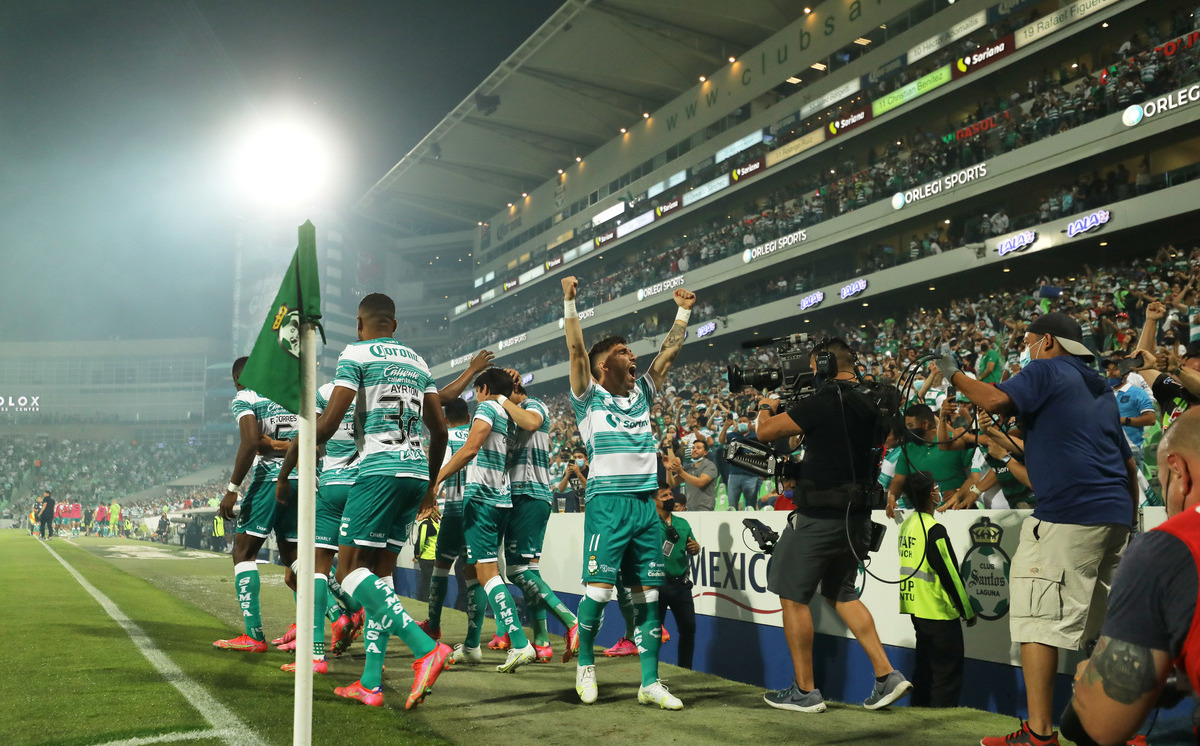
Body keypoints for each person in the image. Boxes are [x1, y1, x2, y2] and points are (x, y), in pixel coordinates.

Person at [935, 311, 1136, 746]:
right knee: (1103, 629)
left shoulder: (1046, 367)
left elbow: (991, 400)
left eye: (1027, 342)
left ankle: (1040, 734)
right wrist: (1129, 521)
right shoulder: (1098, 388)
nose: (1025, 350)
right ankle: (1120, 731)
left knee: (1034, 622)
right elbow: (1127, 461)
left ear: (1046, 341)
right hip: (1114, 515)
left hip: (1068, 515)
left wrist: (954, 374)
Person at [277, 292, 451, 710]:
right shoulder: (418, 361)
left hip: (378, 471)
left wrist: (297, 441)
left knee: (350, 569)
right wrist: (428, 485)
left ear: (360, 323)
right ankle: (370, 681)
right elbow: (440, 431)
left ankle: (426, 648)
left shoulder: (355, 353)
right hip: (414, 474)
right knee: (383, 578)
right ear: (395, 322)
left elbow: (329, 424)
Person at [754, 338, 912, 713]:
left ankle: (805, 691)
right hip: (857, 520)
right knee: (841, 593)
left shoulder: (826, 400)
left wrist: (765, 404)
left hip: (820, 517)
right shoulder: (872, 400)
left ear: (822, 363)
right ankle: (886, 674)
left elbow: (764, 433)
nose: (810, 373)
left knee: (792, 597)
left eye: (813, 366)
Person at [562, 273, 693, 710]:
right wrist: (570, 302)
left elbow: (669, 352)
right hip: (607, 505)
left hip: (643, 505)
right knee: (598, 593)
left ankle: (650, 682)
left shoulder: (643, 394)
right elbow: (576, 349)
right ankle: (585, 667)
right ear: (605, 366)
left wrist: (684, 310)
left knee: (648, 597)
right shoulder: (588, 397)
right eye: (623, 352)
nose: (632, 356)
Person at [1061, 406, 1200, 746]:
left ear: (1178, 472)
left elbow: (1099, 725)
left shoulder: (1168, 547)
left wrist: (1089, 683)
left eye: (1164, 484)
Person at [434, 367, 536, 672]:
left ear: (483, 388)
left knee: (488, 573)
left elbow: (470, 448)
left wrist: (437, 478)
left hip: (481, 499)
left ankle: (520, 643)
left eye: (477, 389)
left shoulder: (488, 408)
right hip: (501, 498)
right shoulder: (507, 413)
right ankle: (472, 645)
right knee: (475, 570)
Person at [213, 356, 298, 654]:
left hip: (271, 477)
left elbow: (251, 442)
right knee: (296, 557)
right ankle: (339, 615)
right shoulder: (292, 394)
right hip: (306, 477)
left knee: (243, 552)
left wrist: (232, 489)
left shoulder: (246, 396)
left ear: (237, 380)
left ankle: (255, 636)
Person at [496, 366, 580, 662]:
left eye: (503, 393)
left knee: (515, 571)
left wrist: (501, 397)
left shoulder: (534, 406)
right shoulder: (508, 418)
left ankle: (572, 623)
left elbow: (531, 423)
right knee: (528, 571)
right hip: (526, 496)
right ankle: (542, 641)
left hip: (529, 495)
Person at [898, 471, 975, 708]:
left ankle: (918, 713)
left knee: (924, 669)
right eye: (936, 486)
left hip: (916, 609)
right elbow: (950, 573)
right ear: (931, 494)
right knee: (946, 676)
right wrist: (967, 610)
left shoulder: (908, 525)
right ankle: (941, 724)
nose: (938, 490)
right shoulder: (934, 529)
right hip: (939, 611)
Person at [655, 485, 699, 669]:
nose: (670, 497)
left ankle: (686, 669)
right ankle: (651, 673)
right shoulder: (648, 524)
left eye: (670, 494)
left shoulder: (683, 524)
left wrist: (695, 548)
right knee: (653, 632)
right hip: (656, 586)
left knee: (689, 628)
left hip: (680, 584)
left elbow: (693, 546)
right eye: (664, 495)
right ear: (654, 500)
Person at [721, 415, 764, 510]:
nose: (742, 423)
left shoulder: (756, 436)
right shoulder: (733, 435)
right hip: (734, 475)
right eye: (739, 422)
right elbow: (721, 440)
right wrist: (725, 427)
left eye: (744, 421)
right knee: (732, 505)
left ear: (749, 423)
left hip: (751, 475)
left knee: (751, 506)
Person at [665, 440, 717, 511]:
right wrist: (668, 469)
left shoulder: (710, 466)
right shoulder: (688, 467)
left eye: (698, 448)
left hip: (705, 509)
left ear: (705, 452)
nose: (694, 450)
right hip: (689, 508)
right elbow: (671, 484)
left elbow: (700, 483)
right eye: (693, 448)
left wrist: (681, 472)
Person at [412, 508, 439, 603]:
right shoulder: (432, 524)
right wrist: (417, 555)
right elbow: (422, 541)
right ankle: (426, 602)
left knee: (427, 583)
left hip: (429, 558)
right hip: (430, 559)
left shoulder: (428, 523)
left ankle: (425, 602)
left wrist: (416, 556)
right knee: (429, 583)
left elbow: (421, 541)